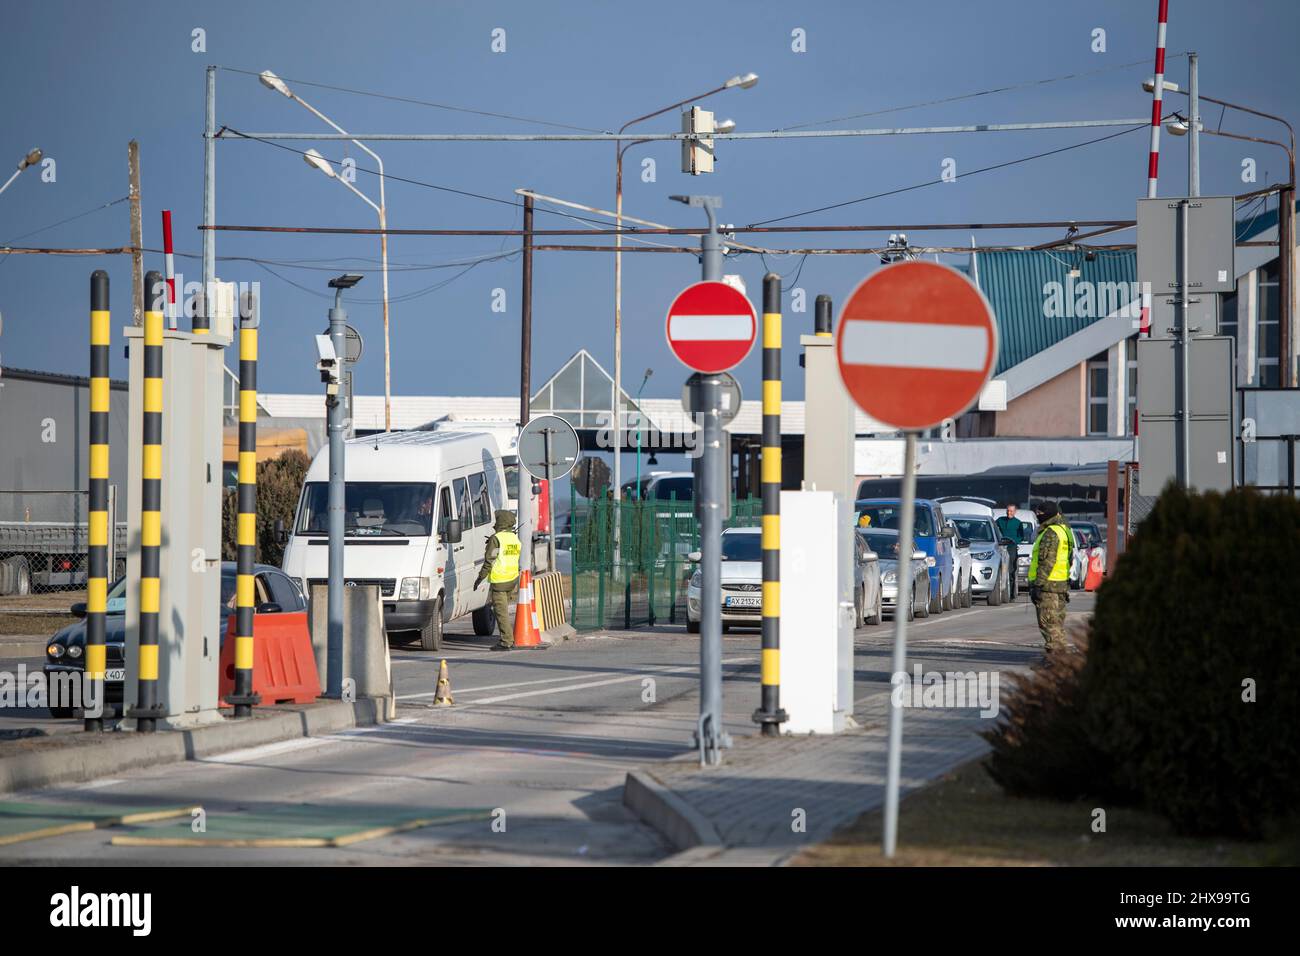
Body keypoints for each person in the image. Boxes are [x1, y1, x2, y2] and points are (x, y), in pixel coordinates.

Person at [1028, 499, 1073, 651]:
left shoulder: (1050, 533)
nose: (1037, 517)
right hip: (1060, 584)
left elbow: (1047, 561)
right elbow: (1069, 558)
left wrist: (1038, 585)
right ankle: (1058, 660)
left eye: (1039, 514)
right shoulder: (1064, 531)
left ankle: (1056, 661)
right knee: (1056, 624)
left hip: (1048, 587)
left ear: (1047, 515)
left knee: (1049, 624)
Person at [475, 509, 521, 650]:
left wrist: (480, 578)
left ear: (501, 522)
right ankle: (510, 639)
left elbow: (490, 560)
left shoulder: (497, 539)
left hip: (500, 581)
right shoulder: (514, 538)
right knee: (503, 610)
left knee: (501, 613)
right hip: (512, 579)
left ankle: (506, 641)